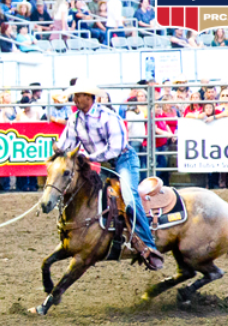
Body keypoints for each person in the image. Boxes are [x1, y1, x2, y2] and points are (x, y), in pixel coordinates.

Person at [54, 79, 164, 271]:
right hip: (102, 163)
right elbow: (66, 143)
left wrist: (89, 157)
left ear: (90, 97)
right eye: (75, 95)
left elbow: (115, 148)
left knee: (129, 197)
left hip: (123, 160)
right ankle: (109, 239)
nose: (76, 99)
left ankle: (149, 245)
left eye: (80, 95)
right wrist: (57, 148)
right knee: (94, 199)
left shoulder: (108, 117)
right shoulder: (75, 119)